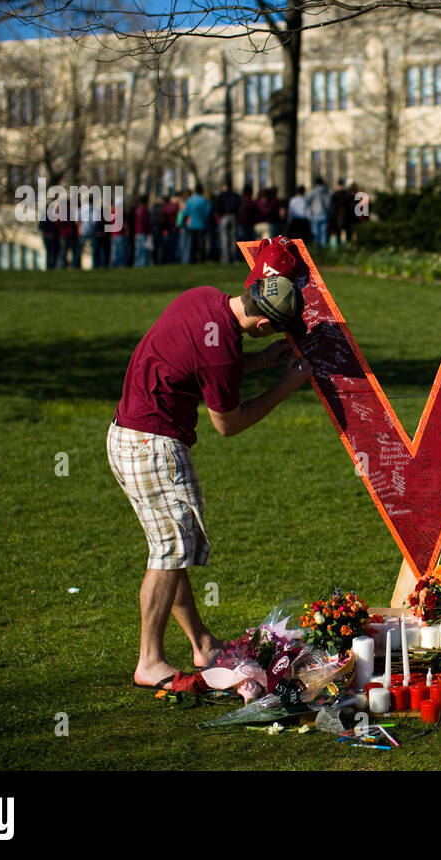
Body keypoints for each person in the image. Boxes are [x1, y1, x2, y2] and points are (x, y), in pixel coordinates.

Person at [108, 275, 312, 692]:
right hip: (154, 446)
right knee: (169, 551)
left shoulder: (205, 299)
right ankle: (150, 660)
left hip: (126, 436)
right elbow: (229, 423)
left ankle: (202, 644)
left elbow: (207, 361)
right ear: (263, 326)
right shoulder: (221, 352)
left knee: (171, 548)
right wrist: (285, 386)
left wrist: (264, 360)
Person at [213, 181, 242, 264]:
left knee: (224, 238)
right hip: (233, 216)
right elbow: (241, 205)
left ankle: (226, 258)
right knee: (233, 238)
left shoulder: (221, 195)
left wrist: (220, 212)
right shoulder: (235, 195)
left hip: (224, 216)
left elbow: (216, 206)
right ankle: (234, 257)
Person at [306, 176, 331, 247]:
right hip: (325, 214)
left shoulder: (314, 191)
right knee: (324, 233)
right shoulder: (327, 191)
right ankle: (323, 250)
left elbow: (307, 199)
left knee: (315, 233)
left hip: (316, 214)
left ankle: (316, 249)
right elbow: (330, 204)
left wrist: (311, 208)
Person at [133, 194, 154, 268]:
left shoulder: (137, 208)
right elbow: (145, 221)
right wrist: (148, 230)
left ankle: (137, 264)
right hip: (142, 231)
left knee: (138, 250)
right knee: (143, 250)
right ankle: (142, 264)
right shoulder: (144, 209)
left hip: (137, 231)